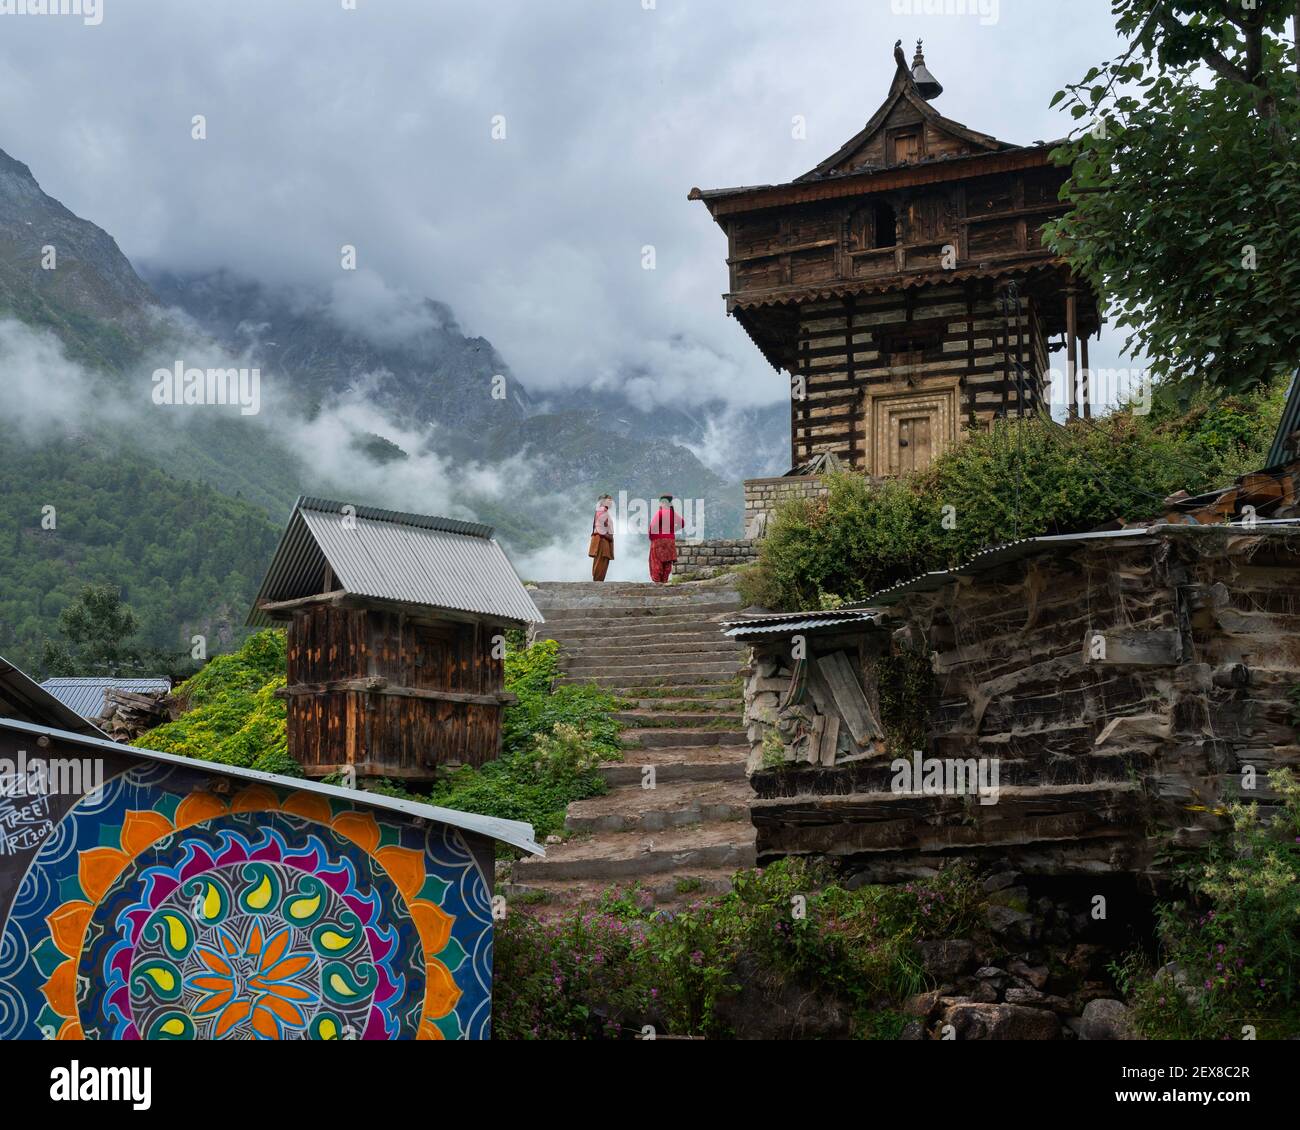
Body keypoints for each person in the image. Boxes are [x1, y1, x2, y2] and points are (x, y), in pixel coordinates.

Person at [648, 493, 684, 584]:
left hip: (659, 541)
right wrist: (672, 531)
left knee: (657, 561)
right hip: (670, 541)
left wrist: (651, 538)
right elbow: (682, 523)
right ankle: (664, 581)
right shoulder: (673, 513)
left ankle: (657, 582)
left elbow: (652, 527)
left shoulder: (660, 512)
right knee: (667, 562)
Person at [589, 494, 615, 581]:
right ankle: (597, 582)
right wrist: (608, 536)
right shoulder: (602, 510)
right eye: (609, 500)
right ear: (603, 501)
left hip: (603, 539)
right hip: (602, 540)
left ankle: (598, 581)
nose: (611, 502)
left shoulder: (603, 511)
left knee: (602, 561)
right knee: (601, 562)